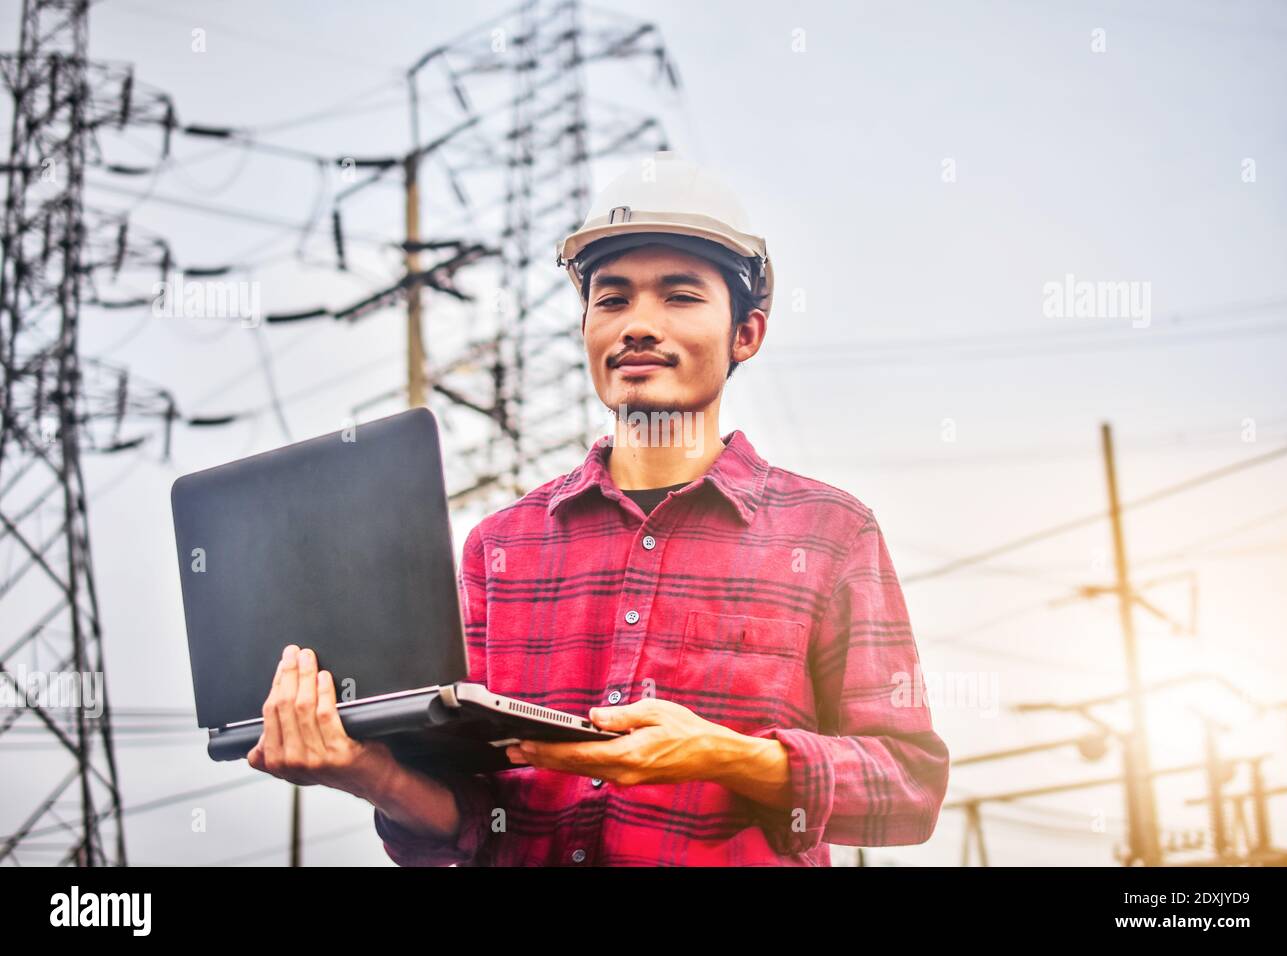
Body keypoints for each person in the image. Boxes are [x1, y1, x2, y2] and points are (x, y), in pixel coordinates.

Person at [247, 150, 949, 865]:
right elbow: (475, 812)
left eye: (679, 296)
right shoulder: (500, 547)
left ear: (747, 333)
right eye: (612, 300)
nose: (638, 324)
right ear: (586, 329)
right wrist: (368, 773)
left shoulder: (829, 532)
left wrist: (725, 755)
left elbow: (911, 788)